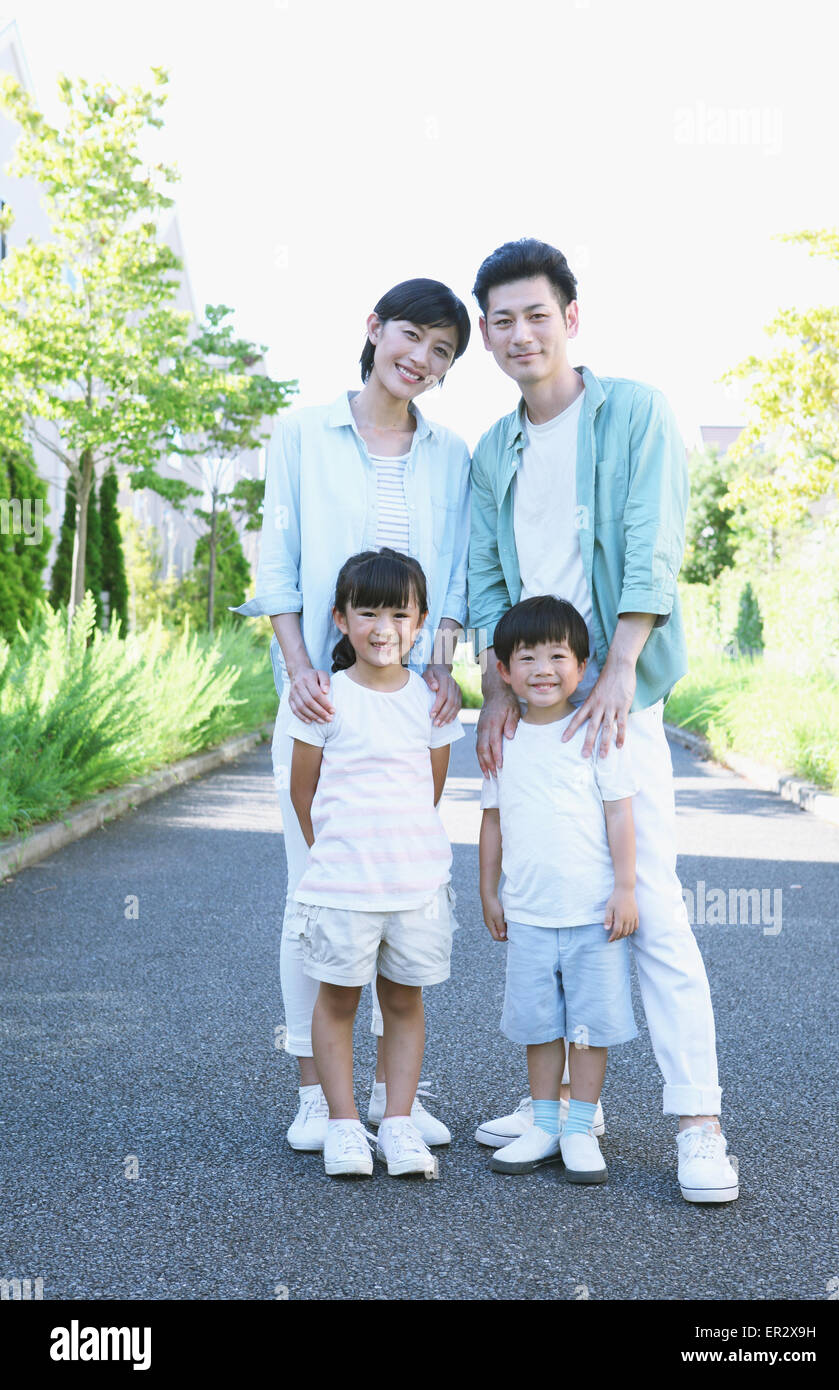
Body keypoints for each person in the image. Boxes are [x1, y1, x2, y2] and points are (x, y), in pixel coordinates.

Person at [468, 238, 739, 1203]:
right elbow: (488, 575)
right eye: (500, 320)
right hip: (531, 702)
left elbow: (649, 541)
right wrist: (496, 690)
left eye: (536, 313)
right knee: (544, 903)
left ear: (570, 317)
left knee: (647, 903)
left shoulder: (635, 412)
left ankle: (699, 1120)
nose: (519, 333)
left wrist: (620, 665)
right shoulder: (494, 448)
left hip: (613, 695)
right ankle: (556, 1112)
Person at [230, 279, 471, 1153]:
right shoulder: (300, 434)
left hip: (407, 699)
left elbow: (463, 576)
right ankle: (311, 1091)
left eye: (442, 351)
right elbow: (278, 566)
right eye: (412, 336)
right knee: (319, 894)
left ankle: (391, 1100)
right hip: (322, 697)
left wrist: (442, 668)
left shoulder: (452, 456)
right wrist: (298, 669)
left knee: (398, 882)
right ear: (374, 331)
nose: (421, 358)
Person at [285, 550, 464, 1177]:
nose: (382, 627)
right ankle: (341, 1125)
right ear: (340, 619)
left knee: (405, 1002)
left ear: (419, 624)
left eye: (399, 613)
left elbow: (430, 792)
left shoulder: (432, 703)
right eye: (367, 612)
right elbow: (301, 793)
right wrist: (340, 851)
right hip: (343, 887)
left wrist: (397, 847)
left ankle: (397, 1122)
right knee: (338, 1002)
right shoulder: (324, 698)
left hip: (415, 888)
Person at [479, 596, 639, 1182]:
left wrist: (625, 888)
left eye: (557, 655)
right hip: (528, 912)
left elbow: (620, 815)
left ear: (583, 665)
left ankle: (580, 1128)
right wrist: (488, 891)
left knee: (589, 1024)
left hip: (592, 913)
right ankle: (545, 1124)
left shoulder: (594, 732)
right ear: (503, 670)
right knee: (539, 1022)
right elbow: (491, 821)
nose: (542, 668)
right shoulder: (504, 739)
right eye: (527, 657)